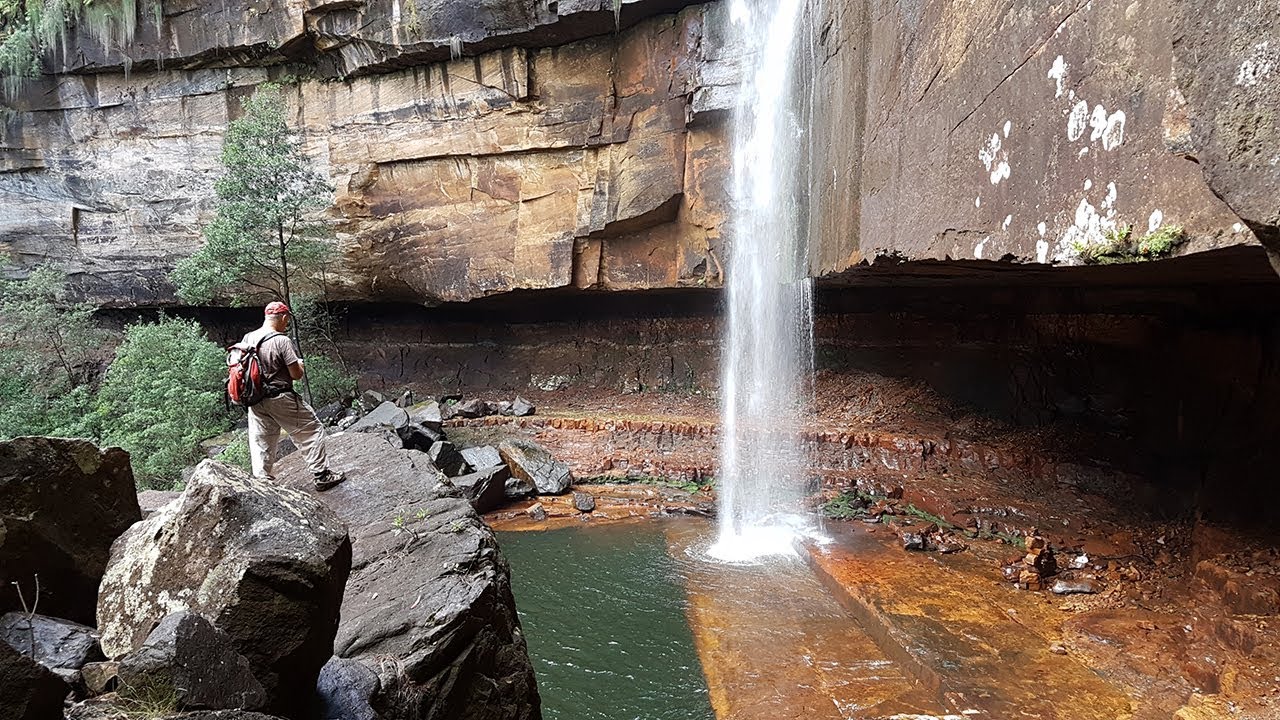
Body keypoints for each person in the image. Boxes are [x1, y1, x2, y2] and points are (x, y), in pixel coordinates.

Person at [241, 301, 346, 491]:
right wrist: (300, 364)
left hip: (254, 398)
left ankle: (262, 483)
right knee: (311, 430)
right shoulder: (281, 340)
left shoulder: (248, 338)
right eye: (287, 320)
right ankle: (322, 475)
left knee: (262, 439)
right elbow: (296, 374)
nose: (287, 323)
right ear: (283, 317)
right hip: (280, 397)